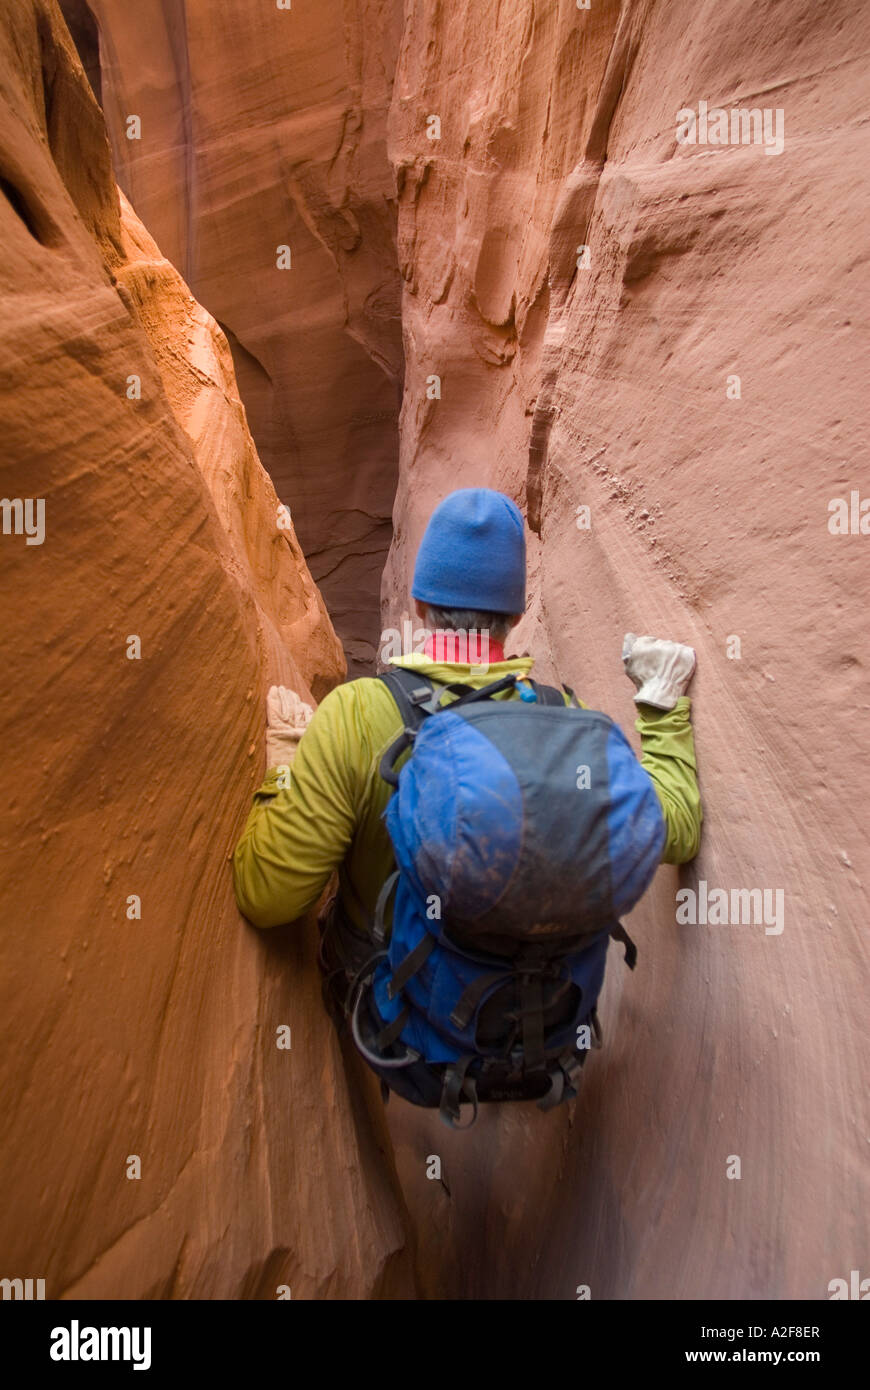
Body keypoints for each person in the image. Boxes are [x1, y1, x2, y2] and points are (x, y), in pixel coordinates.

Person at [233, 487, 701, 1029]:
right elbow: (678, 828)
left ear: (419, 606)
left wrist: (288, 764)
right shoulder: (563, 723)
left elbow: (268, 898)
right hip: (526, 1024)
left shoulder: (355, 716)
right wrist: (661, 708)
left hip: (394, 1022)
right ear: (516, 614)